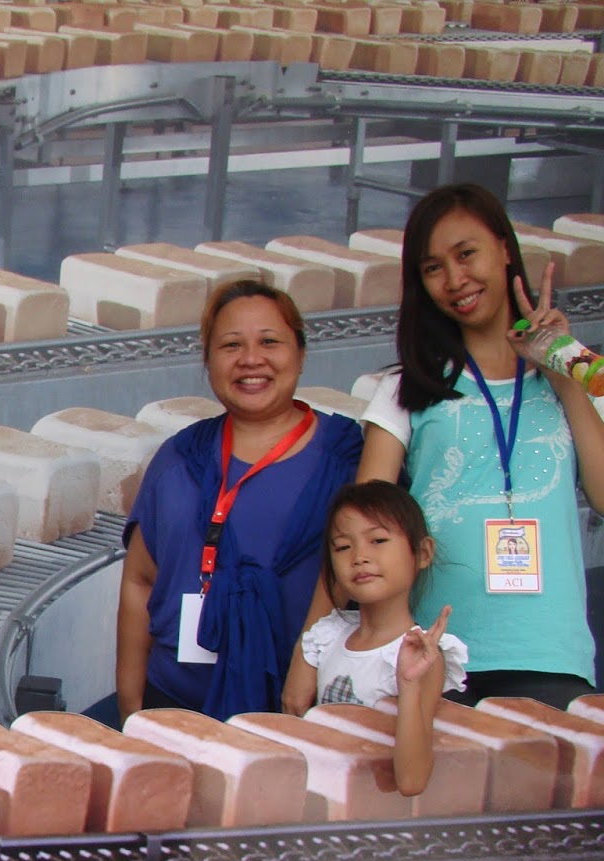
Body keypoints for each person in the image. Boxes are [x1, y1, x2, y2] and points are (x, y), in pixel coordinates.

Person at [355, 182, 604, 708]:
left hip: (547, 654)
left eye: (466, 254)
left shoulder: (584, 369)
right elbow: (365, 522)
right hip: (430, 653)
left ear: (504, 248)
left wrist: (561, 368)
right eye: (432, 268)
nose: (455, 280)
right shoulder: (406, 386)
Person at [118, 280, 363, 722]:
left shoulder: (348, 461)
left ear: (301, 355)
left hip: (300, 711)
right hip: (175, 706)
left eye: (270, 341)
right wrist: (133, 708)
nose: (252, 359)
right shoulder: (180, 458)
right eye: (231, 345)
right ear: (208, 362)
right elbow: (139, 582)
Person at [303, 481, 467, 795]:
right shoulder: (328, 636)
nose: (359, 557)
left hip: (376, 816)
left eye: (378, 540)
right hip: (322, 806)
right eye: (342, 546)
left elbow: (411, 781)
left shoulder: (422, 655)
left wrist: (408, 683)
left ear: (423, 553)